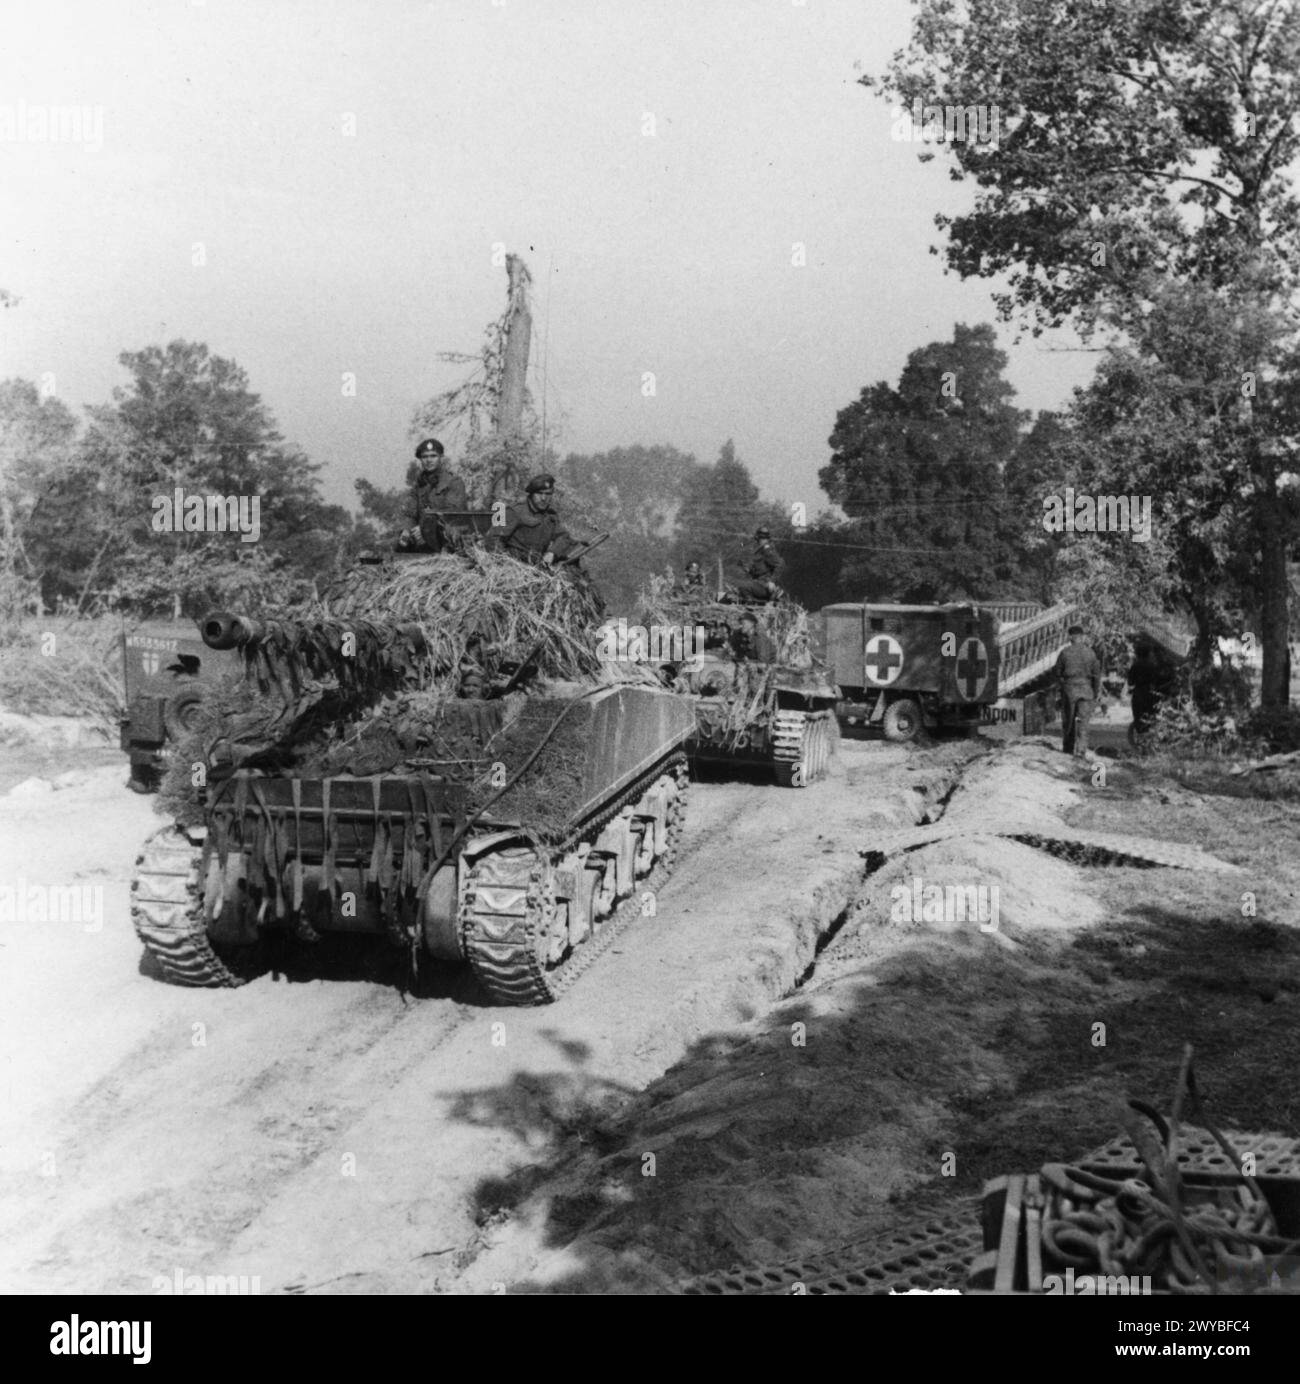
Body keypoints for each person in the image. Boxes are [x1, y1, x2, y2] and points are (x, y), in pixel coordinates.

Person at [401, 439, 469, 553]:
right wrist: (407, 530)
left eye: (433, 456)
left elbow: (453, 514)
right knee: (396, 544)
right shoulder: (419, 486)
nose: (429, 460)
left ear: (440, 457)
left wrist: (425, 529)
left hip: (448, 540)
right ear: (420, 459)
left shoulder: (453, 482)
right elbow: (410, 514)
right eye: (425, 457)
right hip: (423, 540)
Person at [496, 474, 575, 566]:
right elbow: (495, 540)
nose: (544, 498)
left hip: (535, 568)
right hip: (512, 566)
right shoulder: (515, 511)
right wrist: (502, 564)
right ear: (532, 494)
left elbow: (564, 536)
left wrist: (552, 552)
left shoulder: (551, 516)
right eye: (539, 493)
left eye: (548, 494)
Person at [1055, 624, 1102, 757]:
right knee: (1084, 721)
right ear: (1082, 637)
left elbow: (1057, 674)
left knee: (1068, 721)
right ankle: (1081, 750)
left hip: (1069, 689)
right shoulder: (1091, 653)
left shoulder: (1064, 653)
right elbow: (1097, 675)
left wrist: (1060, 690)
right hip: (1086, 690)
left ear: (1070, 637)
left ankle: (1068, 749)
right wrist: (1096, 692)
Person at [734, 526, 783, 602]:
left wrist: (772, 581)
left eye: (760, 538)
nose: (758, 541)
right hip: (759, 584)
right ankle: (752, 601)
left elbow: (779, 565)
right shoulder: (760, 551)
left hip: (765, 586)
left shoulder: (767, 550)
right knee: (739, 585)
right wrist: (745, 568)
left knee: (743, 586)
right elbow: (757, 573)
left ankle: (754, 602)